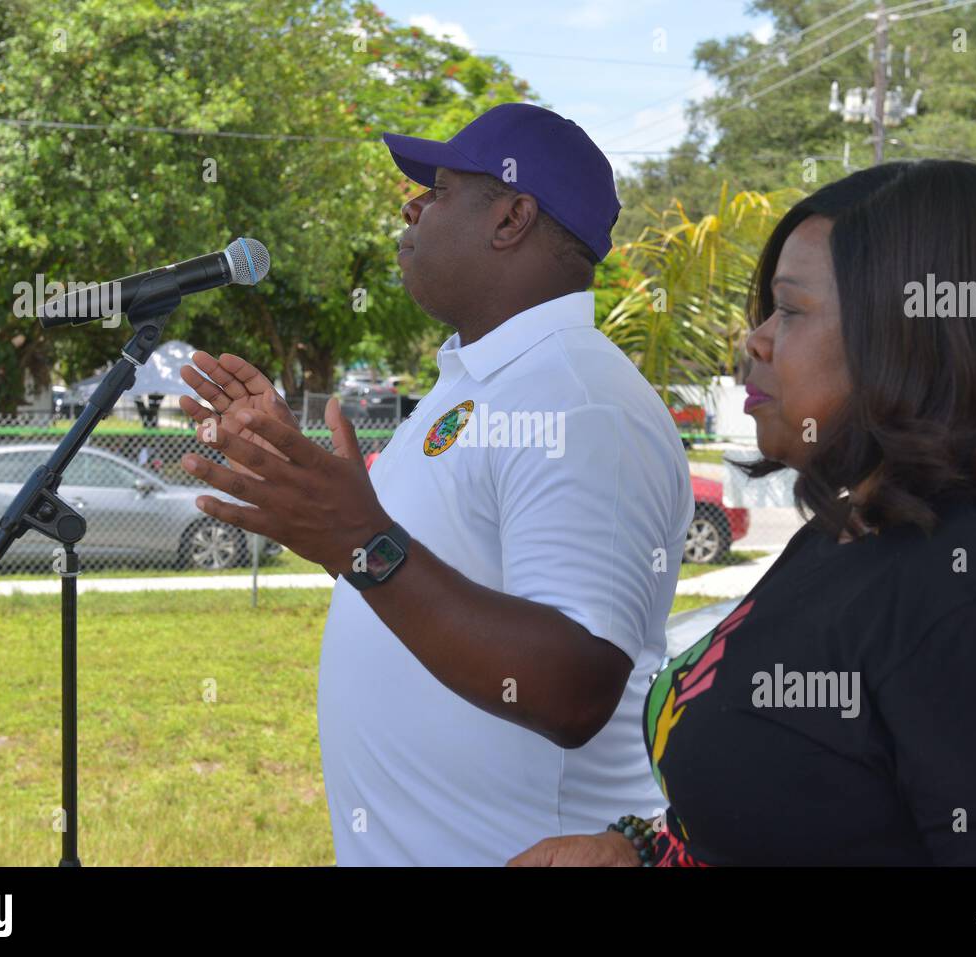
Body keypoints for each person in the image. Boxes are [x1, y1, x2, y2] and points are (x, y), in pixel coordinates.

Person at [510, 159, 976, 866]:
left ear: (914, 338)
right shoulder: (856, 530)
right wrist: (638, 850)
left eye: (792, 309)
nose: (756, 339)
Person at [176, 103, 693, 865]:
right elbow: (411, 577)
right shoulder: (476, 380)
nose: (413, 205)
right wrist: (323, 517)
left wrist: (361, 540)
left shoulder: (580, 401)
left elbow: (573, 686)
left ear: (513, 217)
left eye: (441, 189)